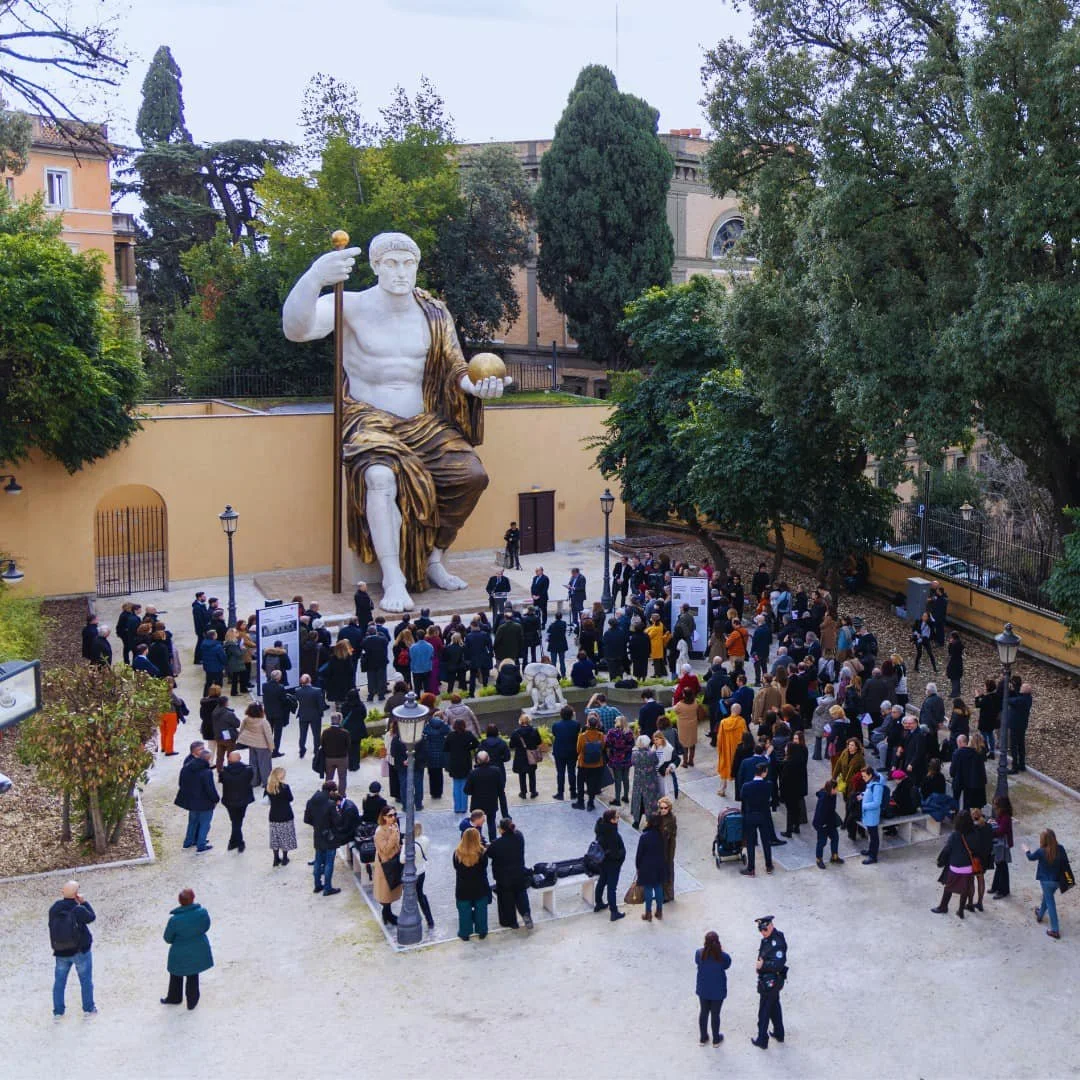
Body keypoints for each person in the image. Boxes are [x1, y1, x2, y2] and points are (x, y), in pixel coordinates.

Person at [49, 880, 97, 1017]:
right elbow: (91, 917)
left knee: (59, 982)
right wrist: (83, 902)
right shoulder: (78, 909)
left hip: (60, 951)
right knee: (85, 981)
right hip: (80, 951)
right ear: (76, 894)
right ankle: (88, 1008)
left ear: (62, 892)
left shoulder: (54, 908)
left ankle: (58, 1011)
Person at [160, 888, 212, 1010]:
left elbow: (167, 938)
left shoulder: (174, 920)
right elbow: (206, 926)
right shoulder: (202, 913)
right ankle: (192, 1001)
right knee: (193, 975)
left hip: (179, 952)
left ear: (180, 901)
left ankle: (174, 997)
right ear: (193, 898)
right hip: (198, 949)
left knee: (176, 974)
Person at [488, 818, 534, 929]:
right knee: (521, 893)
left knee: (506, 899)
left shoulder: (497, 844)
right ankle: (526, 914)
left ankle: (511, 922)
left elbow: (489, 853)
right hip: (519, 873)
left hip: (503, 877)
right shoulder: (519, 837)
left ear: (502, 830)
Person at [751, 915, 788, 1050]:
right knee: (774, 1007)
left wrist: (762, 965)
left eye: (765, 929)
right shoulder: (770, 938)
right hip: (768, 980)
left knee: (764, 1011)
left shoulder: (777, 943)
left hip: (771, 982)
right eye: (760, 930)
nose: (762, 932)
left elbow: (778, 964)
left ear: (771, 925)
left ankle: (762, 1039)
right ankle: (779, 1033)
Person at [931, 809, 976, 918]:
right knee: (965, 889)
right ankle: (961, 911)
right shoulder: (974, 833)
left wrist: (940, 861)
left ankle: (943, 906)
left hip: (955, 867)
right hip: (969, 867)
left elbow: (947, 850)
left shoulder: (955, 835)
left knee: (949, 886)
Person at [175, 743, 219, 852]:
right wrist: (216, 799)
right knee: (204, 824)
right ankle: (201, 845)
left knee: (192, 823)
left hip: (192, 801)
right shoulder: (206, 772)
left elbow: (181, 783)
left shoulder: (187, 767)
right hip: (204, 803)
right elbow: (210, 789)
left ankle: (188, 842)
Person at [1026, 828, 1067, 939]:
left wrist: (1027, 850)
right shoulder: (1060, 848)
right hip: (1058, 881)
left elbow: (1030, 858)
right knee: (1047, 897)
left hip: (1046, 881)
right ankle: (1040, 914)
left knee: (1050, 903)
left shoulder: (1041, 851)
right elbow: (1065, 863)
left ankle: (1055, 930)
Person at [304, 781, 343, 897]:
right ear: (331, 791)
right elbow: (338, 821)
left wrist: (317, 825)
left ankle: (317, 885)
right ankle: (327, 888)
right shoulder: (330, 804)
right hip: (329, 836)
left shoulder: (311, 800)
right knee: (329, 863)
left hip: (317, 834)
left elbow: (307, 819)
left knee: (318, 861)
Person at [453, 826, 492, 941]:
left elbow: (456, 867)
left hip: (463, 887)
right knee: (481, 911)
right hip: (480, 887)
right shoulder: (482, 853)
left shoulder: (457, 853)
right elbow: (484, 867)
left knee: (464, 912)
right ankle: (482, 931)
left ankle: (465, 933)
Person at [695, 931, 732, 1046]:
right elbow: (727, 966)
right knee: (715, 1015)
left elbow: (697, 962)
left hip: (703, 989)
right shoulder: (723, 957)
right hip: (718, 991)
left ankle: (703, 1037)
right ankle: (716, 1039)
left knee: (703, 1012)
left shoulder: (699, 953)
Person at [740, 762, 775, 877]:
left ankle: (751, 869)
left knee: (750, 843)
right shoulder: (768, 785)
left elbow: (743, 798)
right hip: (764, 816)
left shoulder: (746, 786)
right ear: (764, 773)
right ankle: (769, 866)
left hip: (750, 816)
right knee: (766, 842)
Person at [594, 808, 627, 921]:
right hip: (612, 864)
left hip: (602, 862)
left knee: (602, 882)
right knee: (612, 888)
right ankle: (614, 912)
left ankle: (598, 903)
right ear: (611, 820)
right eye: (617, 817)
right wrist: (621, 855)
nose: (618, 819)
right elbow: (615, 853)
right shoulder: (612, 834)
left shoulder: (601, 829)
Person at [218, 750, 254, 853]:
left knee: (235, 820)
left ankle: (233, 842)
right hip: (243, 799)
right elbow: (250, 779)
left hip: (229, 800)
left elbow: (221, 780)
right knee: (238, 821)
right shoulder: (248, 770)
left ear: (228, 759)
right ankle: (239, 842)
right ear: (240, 759)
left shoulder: (223, 772)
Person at [464, 751, 503, 842]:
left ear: (477, 760)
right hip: (491, 802)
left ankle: (478, 842)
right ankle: (493, 842)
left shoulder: (473, 773)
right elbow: (500, 787)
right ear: (488, 759)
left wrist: (474, 791)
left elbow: (466, 790)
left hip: (477, 803)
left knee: (477, 825)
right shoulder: (496, 771)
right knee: (491, 822)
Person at [237, 702, 274, 792]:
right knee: (264, 765)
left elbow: (241, 730)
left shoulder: (246, 719)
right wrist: (271, 747)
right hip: (262, 745)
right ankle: (266, 782)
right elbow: (268, 736)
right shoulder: (263, 722)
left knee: (253, 763)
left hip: (251, 744)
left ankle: (254, 781)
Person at [636, 814, 667, 922]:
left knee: (648, 889)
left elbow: (639, 854)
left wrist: (638, 866)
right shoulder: (662, 835)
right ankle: (659, 911)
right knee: (658, 887)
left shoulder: (644, 836)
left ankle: (648, 913)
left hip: (647, 866)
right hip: (659, 865)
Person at [779, 731, 809, 838]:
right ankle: (796, 827)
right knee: (796, 808)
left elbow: (784, 780)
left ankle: (789, 831)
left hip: (789, 790)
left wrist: (781, 792)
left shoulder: (788, 763)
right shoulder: (799, 760)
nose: (785, 749)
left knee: (790, 810)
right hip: (799, 788)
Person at [857, 765, 887, 864]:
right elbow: (869, 793)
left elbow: (877, 802)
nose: (863, 778)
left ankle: (873, 856)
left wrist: (864, 805)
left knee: (874, 836)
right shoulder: (872, 782)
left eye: (864, 776)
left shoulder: (877, 786)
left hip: (872, 815)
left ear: (870, 775)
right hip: (869, 814)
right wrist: (863, 795)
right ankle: (870, 851)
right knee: (871, 834)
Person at [266, 767, 297, 867]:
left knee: (275, 837)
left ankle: (276, 859)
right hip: (285, 814)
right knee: (285, 837)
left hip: (274, 815)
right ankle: (284, 858)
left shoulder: (268, 787)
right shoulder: (285, 787)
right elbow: (290, 798)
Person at [574, 715, 605, 810]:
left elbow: (578, 750)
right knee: (592, 784)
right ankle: (590, 803)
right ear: (597, 724)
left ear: (587, 724)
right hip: (597, 764)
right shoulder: (601, 735)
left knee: (580, 783)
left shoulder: (582, 736)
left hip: (583, 764)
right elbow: (602, 748)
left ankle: (580, 802)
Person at [629, 735, 661, 829]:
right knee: (650, 802)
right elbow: (656, 762)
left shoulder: (634, 754)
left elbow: (633, 763)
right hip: (650, 782)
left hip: (638, 782)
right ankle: (649, 823)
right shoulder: (652, 753)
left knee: (638, 800)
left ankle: (636, 822)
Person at [551, 704, 581, 801]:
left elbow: (554, 734)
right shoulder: (576, 724)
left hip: (559, 751)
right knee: (572, 772)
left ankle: (560, 793)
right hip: (572, 751)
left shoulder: (556, 725)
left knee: (560, 773)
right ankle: (573, 793)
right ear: (572, 714)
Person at [509, 713, 542, 799]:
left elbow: (511, 745)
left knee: (522, 775)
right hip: (531, 755)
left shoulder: (516, 732)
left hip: (520, 756)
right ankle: (533, 792)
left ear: (520, 721)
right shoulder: (534, 730)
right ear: (529, 721)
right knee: (532, 774)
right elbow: (538, 742)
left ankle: (523, 793)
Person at [812, 779, 844, 869]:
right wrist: (822, 825)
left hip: (830, 822)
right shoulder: (824, 799)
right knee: (822, 842)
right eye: (836, 788)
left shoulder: (832, 795)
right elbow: (819, 813)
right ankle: (819, 859)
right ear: (832, 789)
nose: (837, 790)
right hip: (822, 824)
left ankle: (834, 856)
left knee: (835, 837)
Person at [605, 715, 635, 806]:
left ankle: (617, 800)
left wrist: (611, 753)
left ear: (617, 722)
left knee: (617, 779)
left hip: (616, 759)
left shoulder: (611, 732)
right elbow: (632, 744)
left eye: (615, 721)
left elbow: (607, 744)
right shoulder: (629, 732)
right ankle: (625, 797)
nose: (614, 722)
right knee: (626, 778)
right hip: (626, 759)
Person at [673, 688, 706, 768]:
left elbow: (675, 710)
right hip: (693, 725)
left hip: (683, 727)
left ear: (684, 695)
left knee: (684, 745)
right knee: (692, 743)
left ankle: (685, 762)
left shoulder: (680, 705)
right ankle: (691, 761)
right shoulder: (695, 702)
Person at [989, 794, 1014, 899]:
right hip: (1000, 845)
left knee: (1002, 867)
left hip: (1003, 846)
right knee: (999, 866)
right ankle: (996, 887)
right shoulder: (1002, 816)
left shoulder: (1005, 817)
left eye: (996, 805)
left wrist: (990, 830)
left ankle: (1003, 890)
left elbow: (1001, 831)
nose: (994, 807)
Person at [320, 713, 351, 796]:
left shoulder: (325, 732)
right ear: (340, 721)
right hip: (342, 758)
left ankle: (327, 794)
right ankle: (341, 795)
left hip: (329, 759)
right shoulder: (345, 733)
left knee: (329, 778)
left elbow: (322, 744)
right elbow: (348, 746)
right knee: (342, 778)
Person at [1008, 680, 1033, 774]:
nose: (1020, 688)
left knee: (1014, 746)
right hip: (1022, 725)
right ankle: (1021, 764)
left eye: (1022, 687)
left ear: (1025, 690)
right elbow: (1017, 697)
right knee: (1021, 745)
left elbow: (1009, 700)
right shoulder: (1028, 698)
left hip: (1015, 725)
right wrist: (1012, 691)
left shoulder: (1021, 700)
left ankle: (1014, 767)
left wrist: (1009, 692)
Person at [657, 795, 678, 902]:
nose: (663, 810)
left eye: (665, 808)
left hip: (668, 848)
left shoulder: (672, 819)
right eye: (661, 808)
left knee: (668, 871)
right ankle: (661, 893)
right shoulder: (657, 817)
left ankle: (668, 894)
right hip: (658, 848)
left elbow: (672, 835)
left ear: (669, 808)